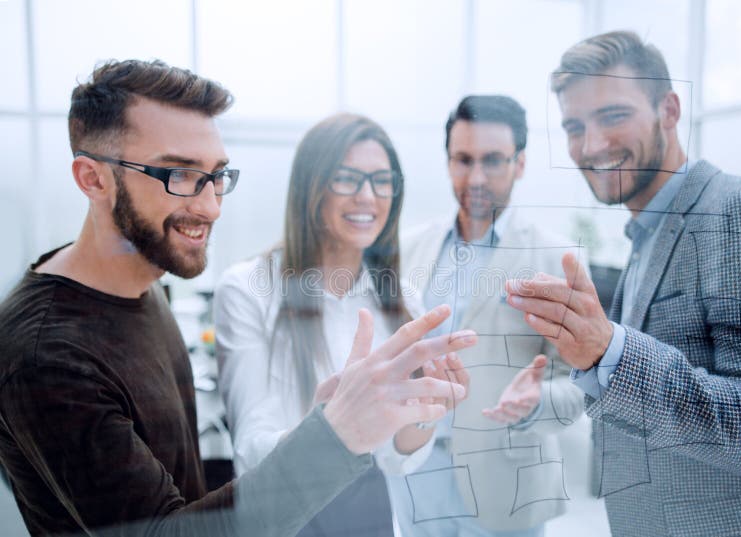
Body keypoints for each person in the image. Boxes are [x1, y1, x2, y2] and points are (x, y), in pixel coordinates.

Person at [0, 59, 476, 537]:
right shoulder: (48, 357)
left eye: (216, 177)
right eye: (178, 175)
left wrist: (390, 418)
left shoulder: (141, 285)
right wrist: (335, 432)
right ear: (93, 179)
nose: (210, 206)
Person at [506, 31, 741, 536]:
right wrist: (548, 397)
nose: (592, 144)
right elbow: (648, 401)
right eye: (575, 126)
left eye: (613, 116)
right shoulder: (646, 237)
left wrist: (610, 351)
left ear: (669, 109)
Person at [213, 113, 471, 537]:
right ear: (310, 188)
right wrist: (330, 427)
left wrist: (424, 417)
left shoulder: (400, 296)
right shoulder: (247, 289)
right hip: (285, 518)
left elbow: (392, 459)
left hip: (367, 516)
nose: (368, 197)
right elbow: (250, 447)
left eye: (382, 181)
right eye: (348, 179)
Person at [391, 95, 586, 537]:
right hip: (419, 473)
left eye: (493, 161)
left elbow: (582, 384)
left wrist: (539, 403)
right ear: (447, 161)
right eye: (463, 159)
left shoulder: (557, 259)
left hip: (508, 477)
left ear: (520, 164)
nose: (476, 177)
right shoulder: (409, 249)